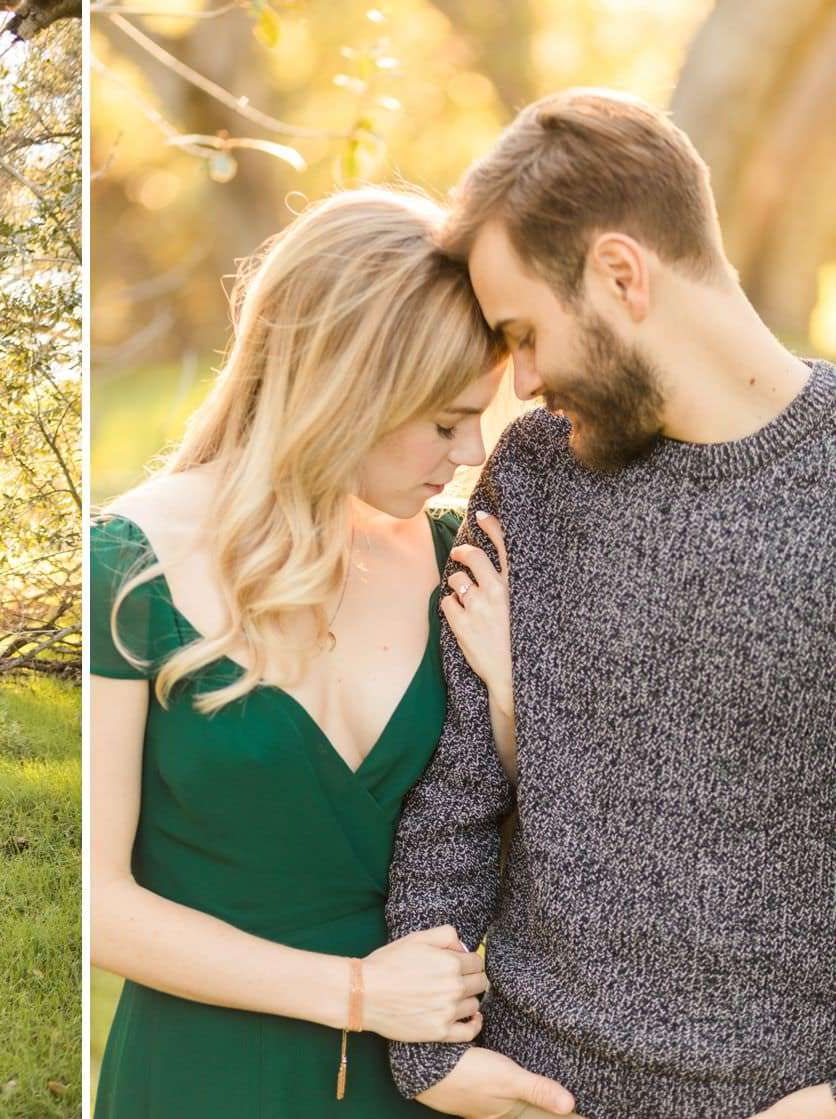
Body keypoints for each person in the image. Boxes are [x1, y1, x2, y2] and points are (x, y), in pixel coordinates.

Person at [385, 88, 836, 1119]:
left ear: (621, 275)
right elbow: (457, 790)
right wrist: (436, 1060)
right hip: (533, 1087)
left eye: (526, 334)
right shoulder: (535, 476)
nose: (525, 379)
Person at [91, 187, 513, 1117]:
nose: (474, 450)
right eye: (446, 422)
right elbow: (97, 903)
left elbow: (533, 833)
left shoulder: (464, 566)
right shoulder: (125, 564)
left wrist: (517, 701)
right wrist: (359, 993)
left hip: (431, 1083)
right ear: (344, 386)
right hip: (203, 1074)